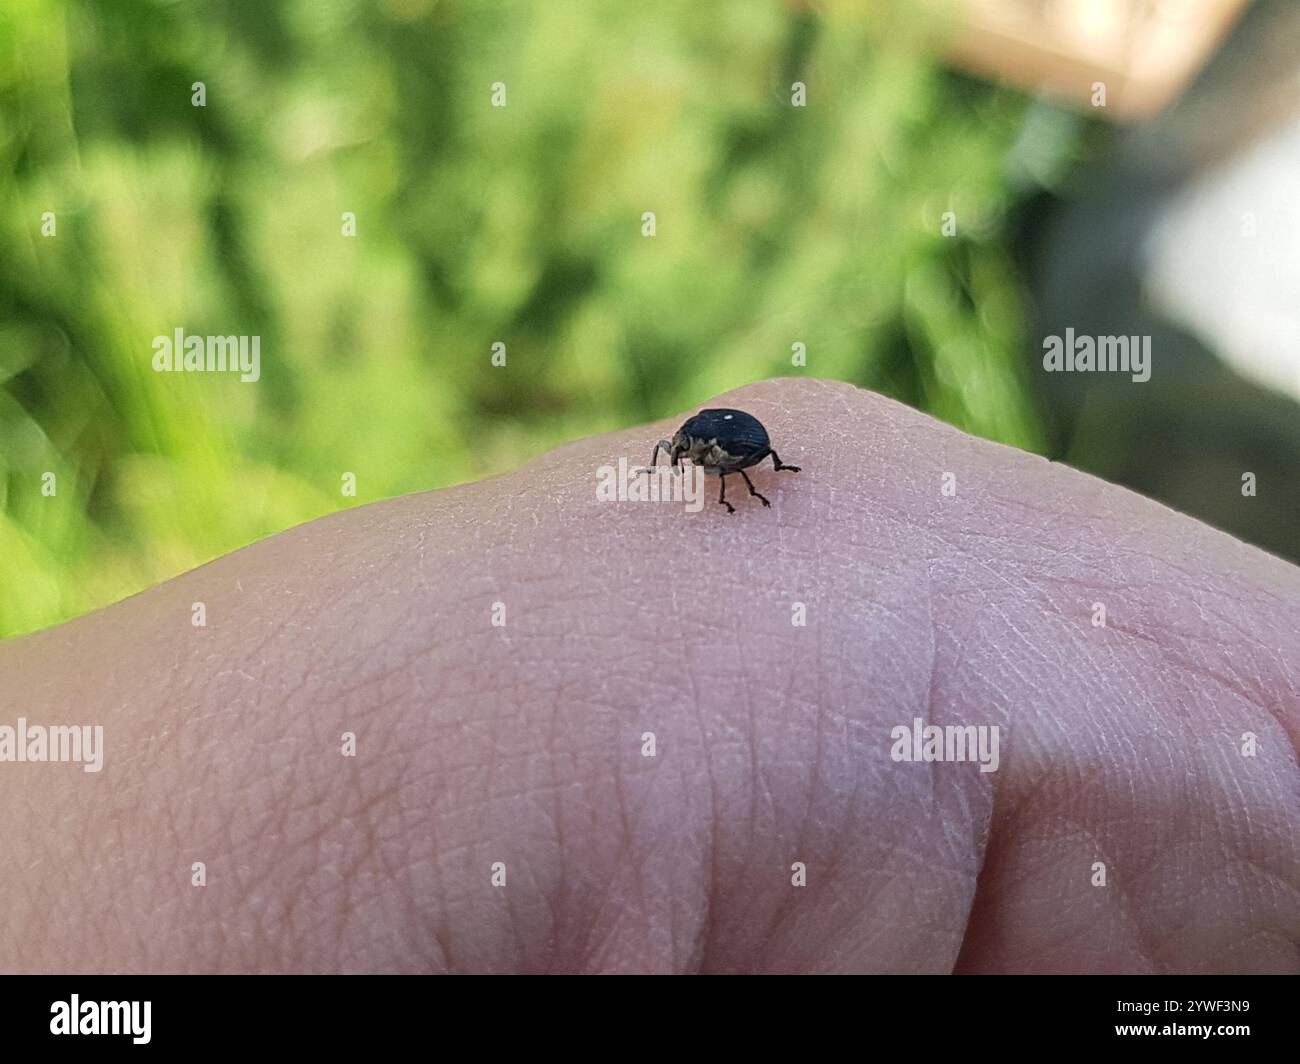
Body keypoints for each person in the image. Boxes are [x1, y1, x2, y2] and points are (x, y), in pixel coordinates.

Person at [0, 378, 1295, 973]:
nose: (699, 473)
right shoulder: (709, 457)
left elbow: (742, 451)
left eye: (707, 469)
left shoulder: (730, 454)